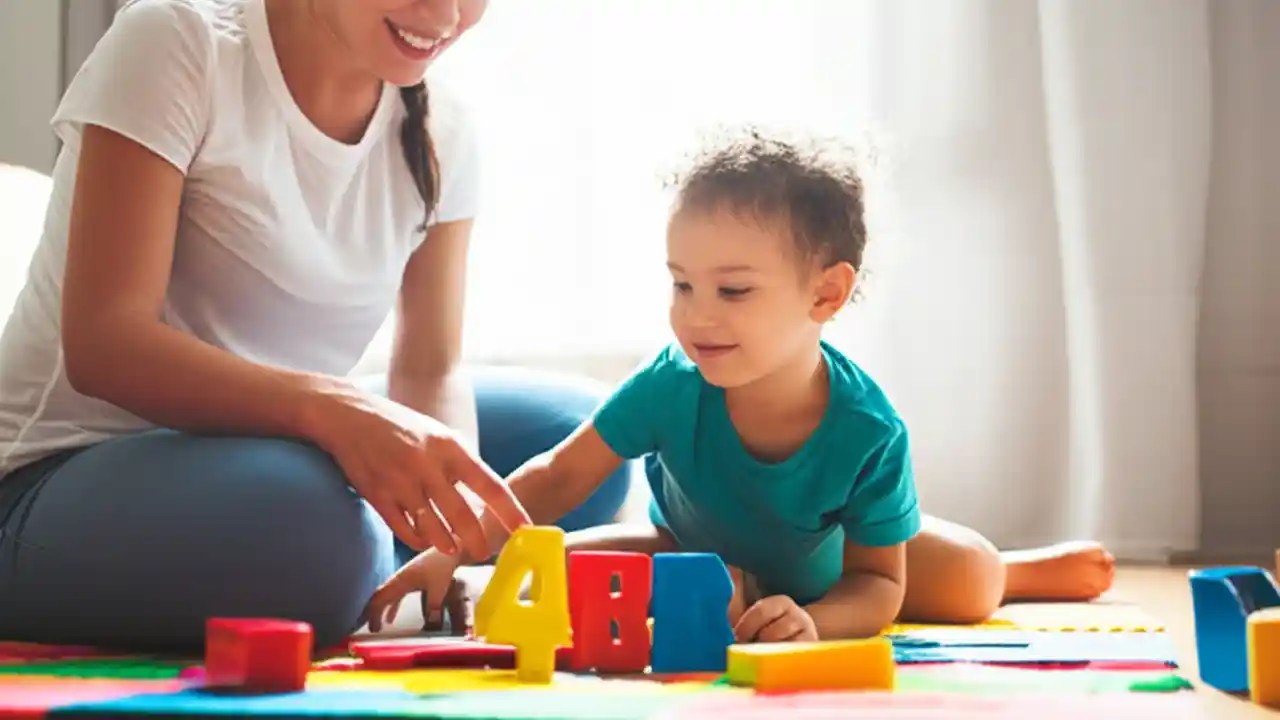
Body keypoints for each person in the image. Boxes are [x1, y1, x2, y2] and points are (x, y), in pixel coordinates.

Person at [0, 0, 641, 650]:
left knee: (584, 440)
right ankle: (364, 570)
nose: (445, 14)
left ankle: (399, 576)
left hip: (278, 444)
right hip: (61, 472)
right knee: (321, 529)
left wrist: (454, 537)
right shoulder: (177, 43)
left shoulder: (443, 127)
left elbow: (429, 368)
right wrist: (334, 410)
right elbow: (105, 344)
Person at [367, 130, 1117, 641]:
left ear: (824, 296)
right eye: (681, 284)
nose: (696, 317)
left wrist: (814, 621)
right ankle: (736, 590)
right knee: (552, 570)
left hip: (832, 570)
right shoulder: (670, 382)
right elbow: (560, 475)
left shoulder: (867, 428)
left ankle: (1021, 570)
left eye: (732, 291)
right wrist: (455, 550)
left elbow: (878, 584)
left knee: (968, 585)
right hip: (685, 547)